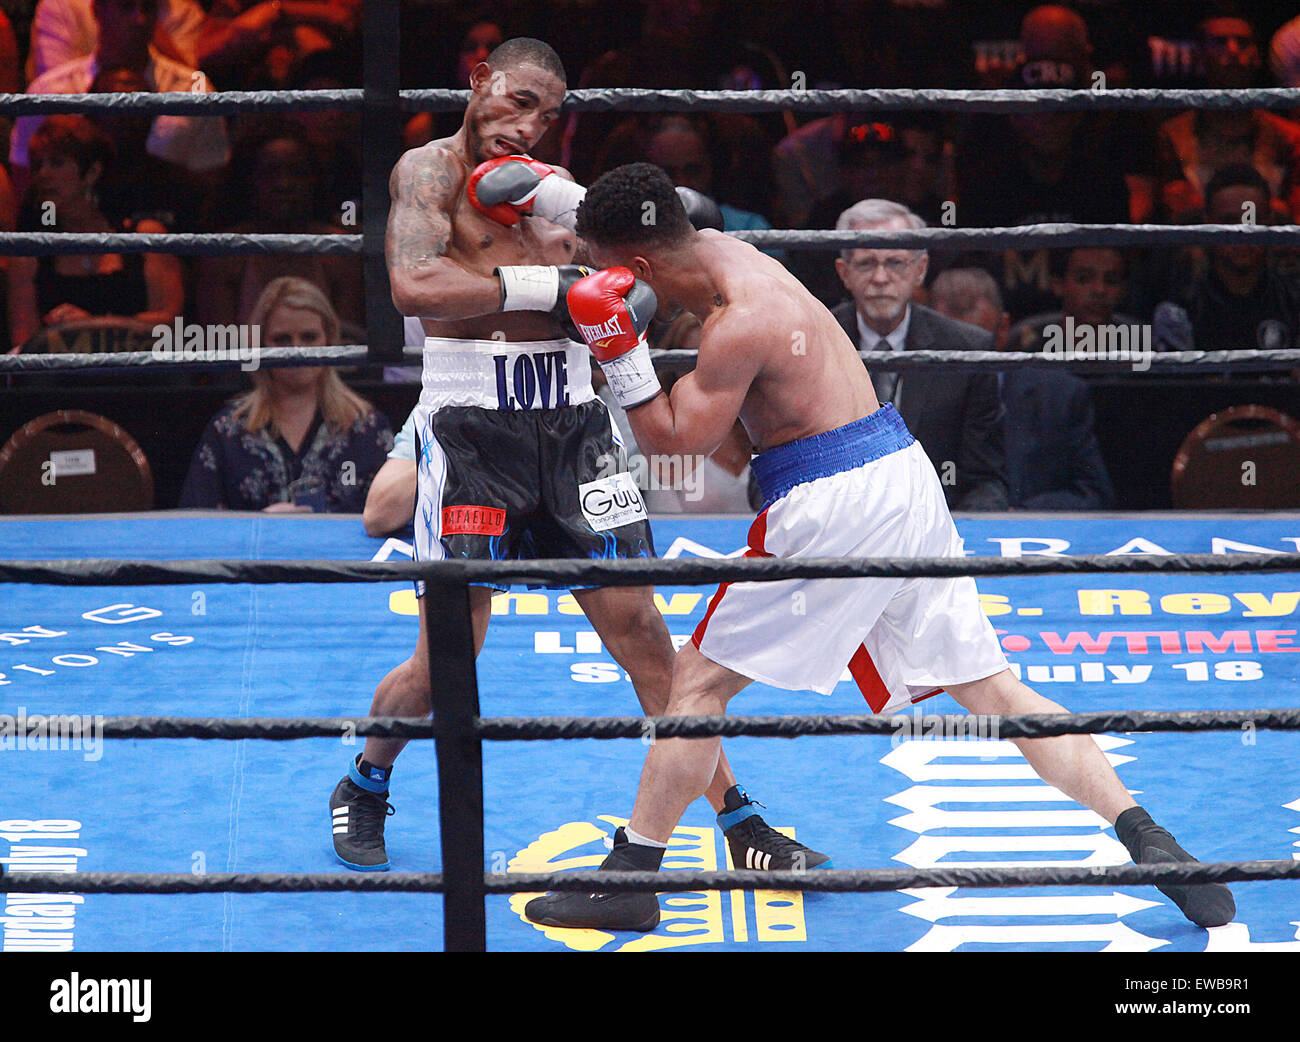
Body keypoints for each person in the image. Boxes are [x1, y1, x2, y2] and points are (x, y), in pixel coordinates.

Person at [523, 161, 1235, 933]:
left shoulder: (740, 322)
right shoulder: (734, 255)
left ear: (636, 268)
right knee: (993, 690)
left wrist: (617, 347)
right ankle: (1147, 835)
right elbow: (649, 220)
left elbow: (673, 440)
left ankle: (631, 879)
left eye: (598, 267)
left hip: (834, 501)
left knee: (693, 688)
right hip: (903, 477)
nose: (594, 278)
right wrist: (564, 197)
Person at [328, 37, 828, 875]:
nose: (528, 125)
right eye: (518, 100)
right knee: (451, 651)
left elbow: (639, 282)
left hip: (573, 430)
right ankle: (365, 781)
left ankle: (741, 825)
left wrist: (607, 293)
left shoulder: (558, 200)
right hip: (472, 433)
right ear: (478, 77)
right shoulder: (429, 173)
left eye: (548, 115)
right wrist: (551, 291)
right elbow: (414, 287)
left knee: (646, 640)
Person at [830, 198, 1009, 512]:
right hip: (834, 525)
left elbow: (983, 481)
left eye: (895, 263)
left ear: (920, 270)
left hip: (936, 524)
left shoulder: (967, 349)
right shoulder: (811, 344)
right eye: (866, 263)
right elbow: (775, 473)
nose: (881, 278)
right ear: (843, 272)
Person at [179, 276, 391, 511]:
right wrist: (258, 526)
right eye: (282, 339)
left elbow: (393, 518)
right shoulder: (228, 431)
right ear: (260, 345)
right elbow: (195, 524)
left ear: (330, 341)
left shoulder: (367, 428)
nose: (297, 350)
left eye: (309, 337)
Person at [931, 267, 1115, 511]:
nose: (969, 367)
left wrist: (1021, 517)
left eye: (978, 345)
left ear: (1004, 329)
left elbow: (1095, 495)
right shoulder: (908, 392)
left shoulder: (1059, 396)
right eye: (954, 348)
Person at [10, 0, 230, 199]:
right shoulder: (49, 93)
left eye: (149, 8)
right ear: (97, 10)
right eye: (126, 6)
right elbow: (25, 189)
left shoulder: (194, 91)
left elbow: (210, 190)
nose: (140, 19)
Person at [6, 115, 183, 350]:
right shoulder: (30, 254)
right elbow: (25, 344)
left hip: (140, 376)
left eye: (56, 163)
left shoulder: (146, 238)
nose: (44, 174)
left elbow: (172, 325)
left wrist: (93, 326)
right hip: (62, 380)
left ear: (92, 171)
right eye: (38, 165)